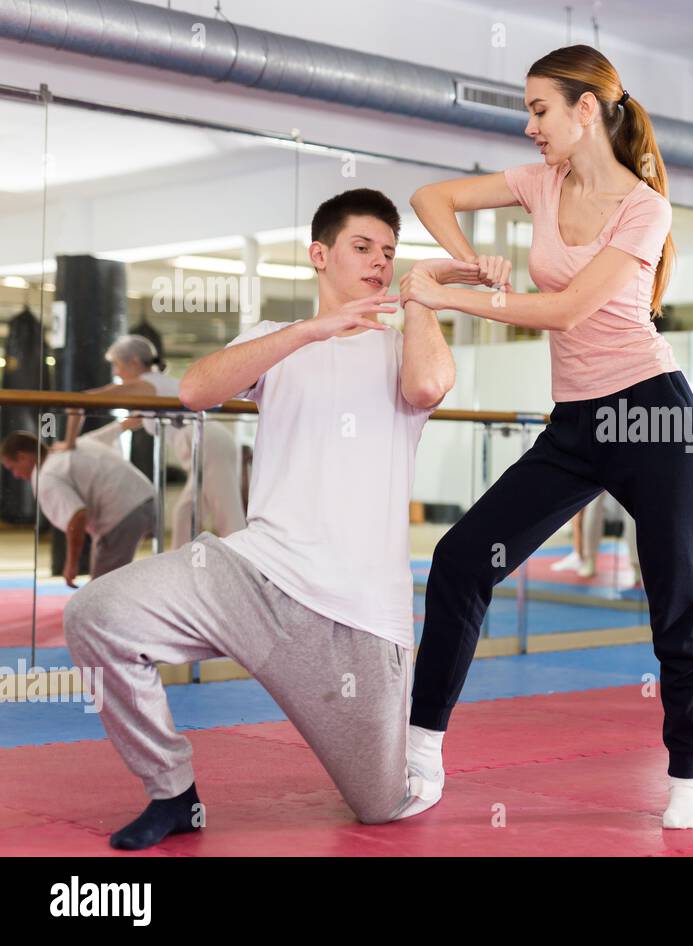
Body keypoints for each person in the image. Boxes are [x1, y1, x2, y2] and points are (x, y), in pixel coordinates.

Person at [58, 189, 478, 849]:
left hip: (356, 615)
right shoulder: (275, 342)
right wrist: (312, 330)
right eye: (362, 247)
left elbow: (428, 387)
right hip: (255, 572)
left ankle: (418, 758)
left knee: (380, 805)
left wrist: (421, 296)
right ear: (320, 255)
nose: (377, 262)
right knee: (95, 615)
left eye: (389, 253)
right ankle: (172, 793)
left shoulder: (403, 347)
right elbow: (197, 391)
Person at [402, 44, 693, 829]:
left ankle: (687, 776)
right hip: (576, 423)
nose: (529, 124)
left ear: (586, 109)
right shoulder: (539, 184)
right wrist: (472, 265)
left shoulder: (646, 207)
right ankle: (421, 753)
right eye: (528, 110)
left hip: (653, 416)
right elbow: (430, 195)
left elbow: (569, 310)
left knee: (674, 603)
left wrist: (447, 298)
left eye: (540, 108)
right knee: (462, 559)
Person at [57, 334, 247, 547]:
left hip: (205, 441)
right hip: (206, 440)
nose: (116, 373)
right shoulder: (158, 384)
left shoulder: (145, 384)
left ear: (135, 362)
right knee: (184, 514)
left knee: (227, 513)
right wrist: (93, 438)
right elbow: (129, 423)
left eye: (117, 365)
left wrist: (69, 443)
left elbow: (79, 403)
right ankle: (181, 566)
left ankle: (250, 568)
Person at [0, 431, 155, 585]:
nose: (16, 475)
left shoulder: (46, 477)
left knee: (101, 589)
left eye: (12, 468)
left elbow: (77, 517)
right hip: (151, 499)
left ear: (22, 457)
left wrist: (71, 564)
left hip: (122, 513)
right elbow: (124, 424)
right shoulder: (81, 442)